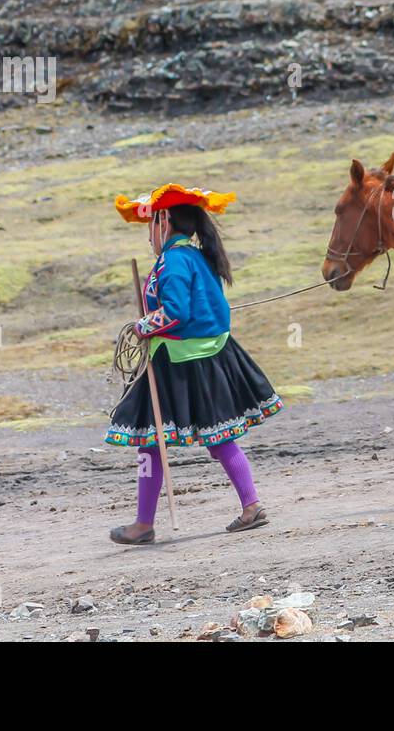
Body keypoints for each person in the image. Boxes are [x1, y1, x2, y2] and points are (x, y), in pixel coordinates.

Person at [106, 184, 283, 544]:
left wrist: (141, 326)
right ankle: (251, 505)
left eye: (151, 224)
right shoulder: (198, 255)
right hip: (211, 358)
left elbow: (175, 313)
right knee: (219, 437)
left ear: (165, 220)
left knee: (150, 442)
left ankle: (143, 524)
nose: (149, 234)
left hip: (179, 363)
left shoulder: (172, 261)